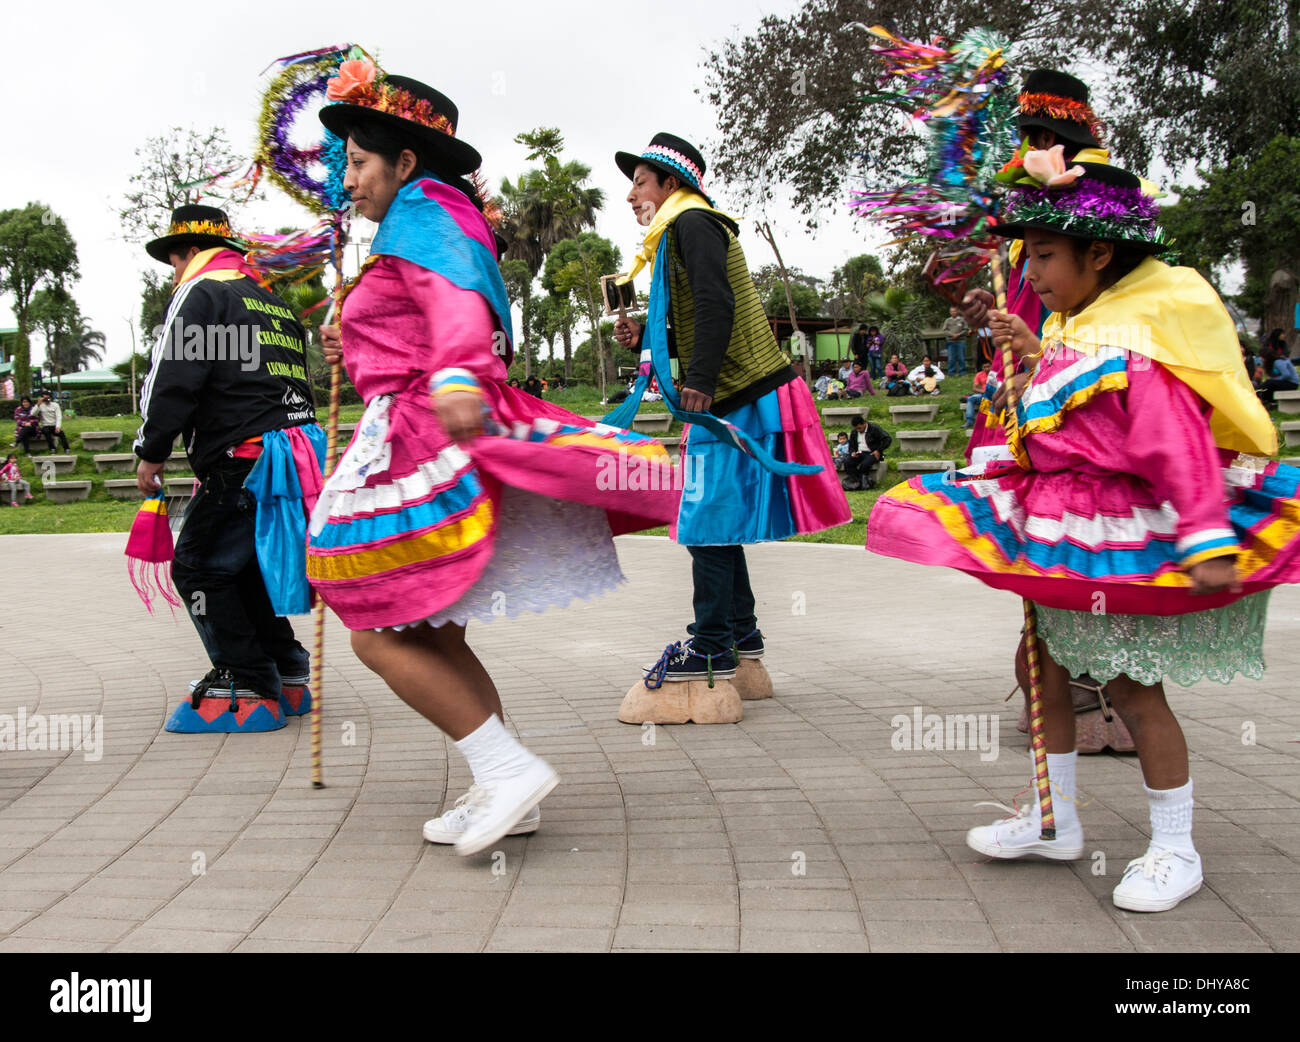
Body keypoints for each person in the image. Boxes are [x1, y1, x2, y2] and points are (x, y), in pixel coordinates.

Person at [868, 159, 1300, 913]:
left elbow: (1175, 443)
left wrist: (1205, 539)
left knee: (1132, 687)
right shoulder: (1082, 328)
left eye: (1042, 256)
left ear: (1099, 255)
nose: (1029, 273)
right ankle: (1053, 816)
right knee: (1040, 667)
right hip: (1061, 523)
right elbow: (1075, 411)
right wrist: (1027, 369)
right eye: (1027, 256)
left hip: (1114, 530)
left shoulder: (1136, 342)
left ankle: (1176, 847)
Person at [308, 66, 678, 855]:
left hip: (424, 431)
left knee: (375, 625)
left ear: (405, 162)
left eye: (359, 163)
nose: (350, 180)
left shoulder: (427, 214)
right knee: (433, 631)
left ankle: (506, 770)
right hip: (408, 420)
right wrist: (358, 337)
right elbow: (423, 312)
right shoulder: (417, 221)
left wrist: (449, 370)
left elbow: (456, 308)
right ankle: (505, 785)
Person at [610, 132, 850, 682]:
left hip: (739, 393)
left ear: (671, 184)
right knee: (715, 521)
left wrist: (699, 379)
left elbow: (718, 303)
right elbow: (700, 316)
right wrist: (649, 340)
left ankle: (713, 645)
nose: (631, 196)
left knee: (703, 520)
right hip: (743, 389)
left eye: (640, 182)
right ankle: (741, 633)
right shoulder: (683, 229)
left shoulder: (692, 223)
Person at [134, 203, 326, 735]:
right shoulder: (270, 300)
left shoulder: (202, 291)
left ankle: (246, 684)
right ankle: (286, 671)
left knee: (197, 570)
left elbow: (173, 375)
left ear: (189, 252)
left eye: (174, 261)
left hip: (239, 458)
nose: (174, 273)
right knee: (238, 567)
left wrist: (151, 448)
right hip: (284, 453)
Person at [842, 414, 890, 491]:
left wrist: (878, 450)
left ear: (864, 423)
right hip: (859, 452)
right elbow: (851, 446)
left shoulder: (874, 429)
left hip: (872, 453)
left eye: (859, 428)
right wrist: (853, 452)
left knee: (865, 464)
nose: (858, 430)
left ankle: (862, 483)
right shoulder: (854, 432)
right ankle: (858, 481)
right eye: (856, 428)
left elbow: (887, 439)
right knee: (848, 462)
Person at [941, 307, 969, 376]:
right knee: (951, 358)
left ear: (957, 311)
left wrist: (959, 334)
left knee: (961, 357)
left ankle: (962, 372)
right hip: (951, 342)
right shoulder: (947, 320)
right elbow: (944, 330)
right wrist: (951, 335)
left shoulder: (962, 320)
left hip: (960, 341)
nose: (953, 313)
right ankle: (951, 373)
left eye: (955, 311)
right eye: (952, 311)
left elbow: (966, 329)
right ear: (950, 312)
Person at [964, 362, 993, 427]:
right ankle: (969, 421)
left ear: (992, 366)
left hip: (994, 396)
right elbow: (974, 388)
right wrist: (983, 391)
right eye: (985, 367)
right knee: (970, 398)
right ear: (982, 368)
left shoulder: (995, 374)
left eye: (988, 366)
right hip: (983, 395)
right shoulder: (979, 374)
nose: (987, 369)